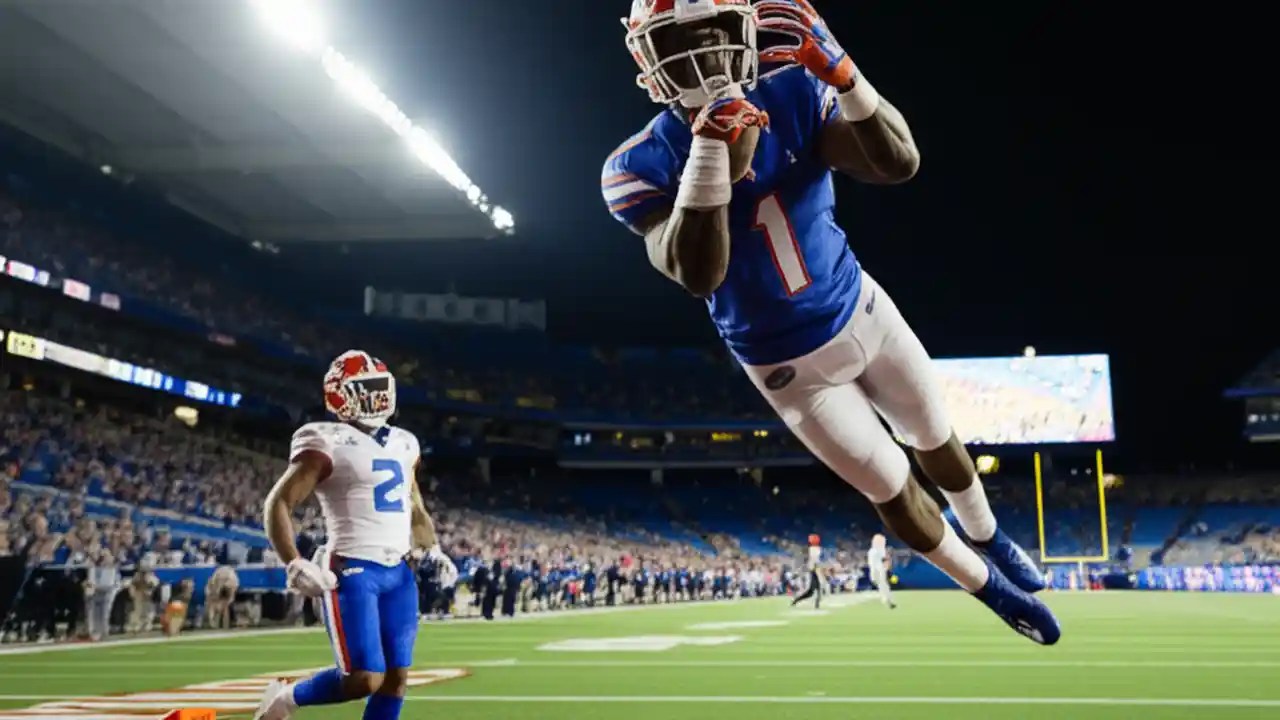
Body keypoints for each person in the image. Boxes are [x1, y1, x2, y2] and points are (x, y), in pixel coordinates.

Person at [603, 0, 1057, 644]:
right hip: (786, 366)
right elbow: (696, 271)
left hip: (861, 309)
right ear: (650, 58)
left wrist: (846, 76)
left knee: (936, 438)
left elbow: (898, 162)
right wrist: (709, 152)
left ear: (743, 31)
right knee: (891, 487)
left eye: (714, 33)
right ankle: (990, 587)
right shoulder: (637, 163)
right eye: (681, 39)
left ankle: (989, 533)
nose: (704, 54)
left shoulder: (791, 88)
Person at [254, 350, 457, 720]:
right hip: (351, 569)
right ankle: (286, 698)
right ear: (339, 396)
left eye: (379, 387)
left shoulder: (405, 442)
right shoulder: (326, 439)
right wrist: (294, 562)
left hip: (398, 572)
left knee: (396, 679)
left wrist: (433, 548)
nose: (376, 397)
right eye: (365, 389)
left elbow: (413, 505)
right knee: (363, 679)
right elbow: (279, 503)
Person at [790, 533, 823, 608]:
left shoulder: (813, 549)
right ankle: (797, 600)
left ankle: (816, 604)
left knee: (816, 590)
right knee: (812, 591)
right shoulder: (814, 550)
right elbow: (810, 563)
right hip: (813, 571)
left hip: (814, 570)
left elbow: (811, 562)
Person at [867, 533, 896, 609]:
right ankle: (886, 598)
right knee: (877, 582)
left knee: (883, 584)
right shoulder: (871, 550)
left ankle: (888, 600)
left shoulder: (880, 550)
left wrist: (887, 567)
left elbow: (886, 559)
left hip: (879, 569)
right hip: (873, 569)